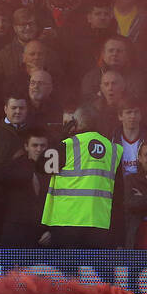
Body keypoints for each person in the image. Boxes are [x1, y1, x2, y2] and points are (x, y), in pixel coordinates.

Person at [40, 106, 124, 248]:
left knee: (66, 270)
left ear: (75, 123)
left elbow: (41, 166)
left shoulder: (68, 145)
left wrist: (62, 136)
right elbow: (119, 194)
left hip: (66, 223)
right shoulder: (114, 149)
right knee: (93, 270)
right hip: (100, 225)